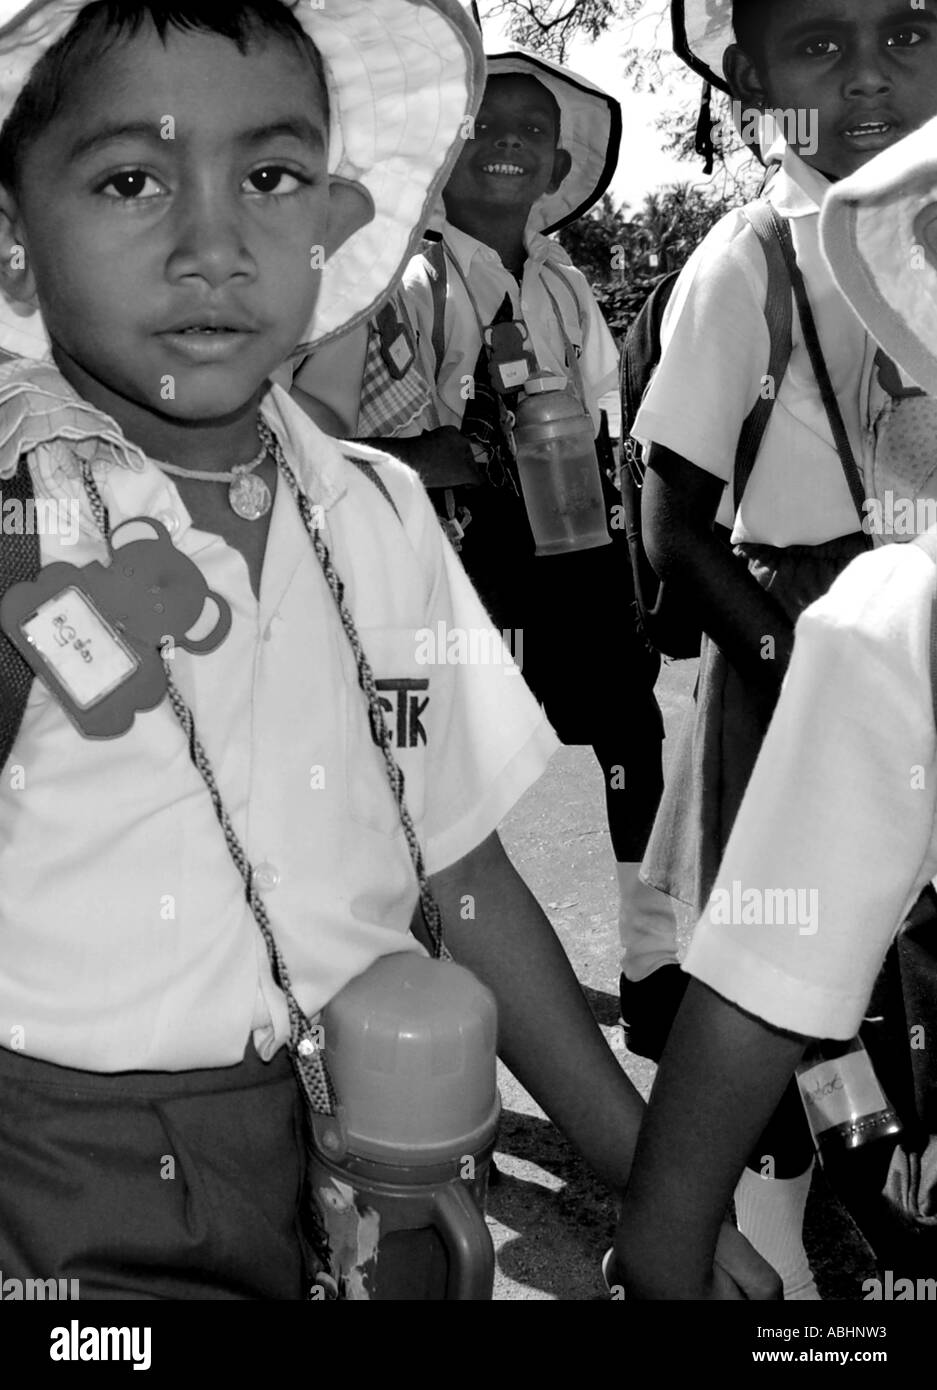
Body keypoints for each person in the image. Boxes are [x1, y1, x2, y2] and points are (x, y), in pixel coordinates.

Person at [0, 0, 772, 1302]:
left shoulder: (362, 514)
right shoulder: (29, 500)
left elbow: (462, 880)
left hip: (276, 1143)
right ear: (21, 237)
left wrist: (659, 1190)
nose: (210, 243)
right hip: (42, 1177)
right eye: (132, 177)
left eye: (270, 177)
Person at [630, 0, 937, 1298]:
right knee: (789, 1002)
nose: (867, 70)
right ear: (752, 77)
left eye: (907, 28)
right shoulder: (749, 255)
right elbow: (669, 525)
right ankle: (760, 1263)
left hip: (895, 635)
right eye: (817, 43)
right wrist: (794, 653)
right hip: (805, 656)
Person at [294, 47, 681, 1062]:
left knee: (630, 735)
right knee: (441, 786)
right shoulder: (405, 281)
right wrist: (447, 451)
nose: (508, 145)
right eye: (486, 126)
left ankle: (649, 959)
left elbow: (609, 427)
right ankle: (439, 1002)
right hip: (458, 567)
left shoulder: (560, 286)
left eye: (531, 134)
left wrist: (629, 559)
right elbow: (333, 444)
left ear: (557, 169)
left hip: (573, 553)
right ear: (445, 152)